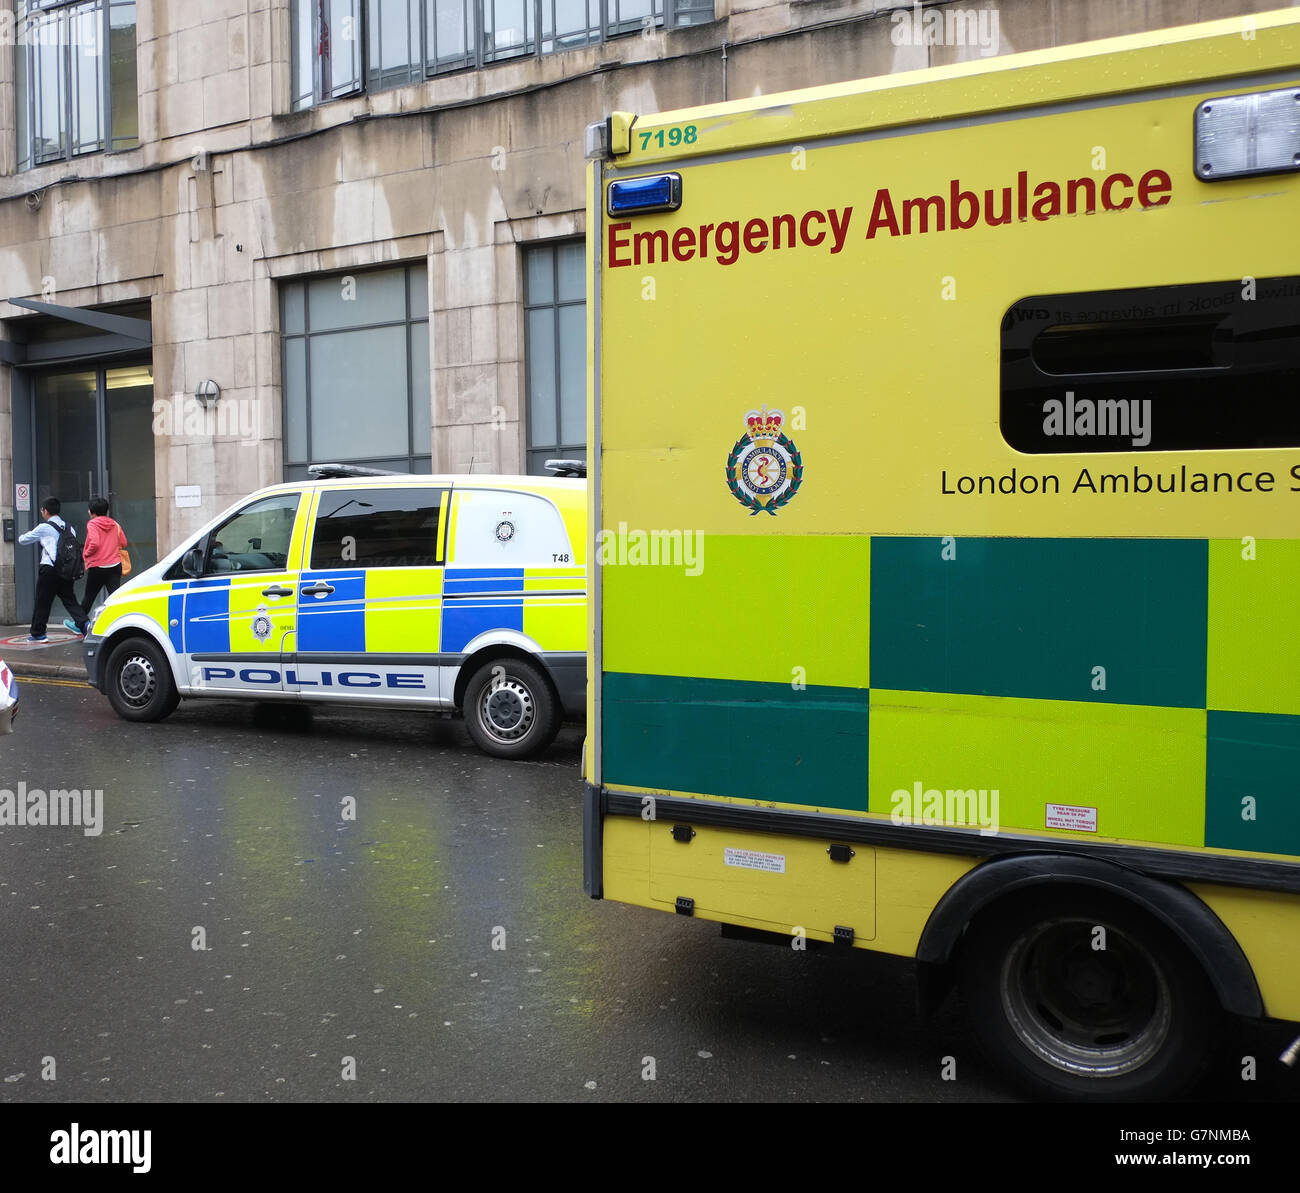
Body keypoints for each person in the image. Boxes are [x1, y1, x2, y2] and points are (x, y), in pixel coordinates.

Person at [17, 497, 90, 643]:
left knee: (42, 601)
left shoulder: (44, 528)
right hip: (66, 570)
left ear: (45, 511)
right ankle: (85, 624)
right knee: (70, 600)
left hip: (49, 569)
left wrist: (35, 534)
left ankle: (38, 634)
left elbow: (22, 540)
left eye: (42, 510)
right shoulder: (70, 528)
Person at [80, 496, 128, 615]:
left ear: (92, 512)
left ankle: (79, 624)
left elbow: (95, 543)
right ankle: (121, 621)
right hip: (115, 565)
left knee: (89, 597)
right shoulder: (115, 524)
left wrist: (86, 553)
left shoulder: (92, 524)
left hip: (97, 566)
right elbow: (124, 543)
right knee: (115, 597)